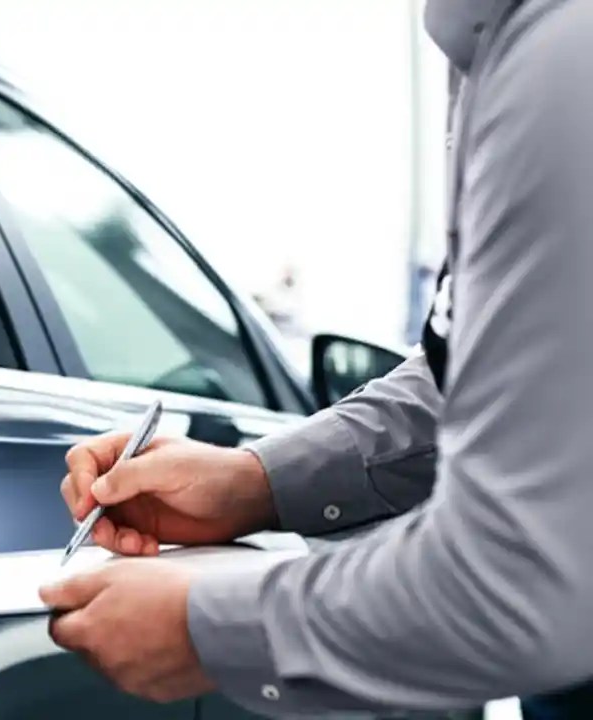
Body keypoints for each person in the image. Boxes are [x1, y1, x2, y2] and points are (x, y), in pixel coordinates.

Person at [38, 0, 593, 717]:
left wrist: (212, 631)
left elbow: (520, 579)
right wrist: (252, 485)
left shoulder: (563, 57)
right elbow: (495, 369)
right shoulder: (506, 41)